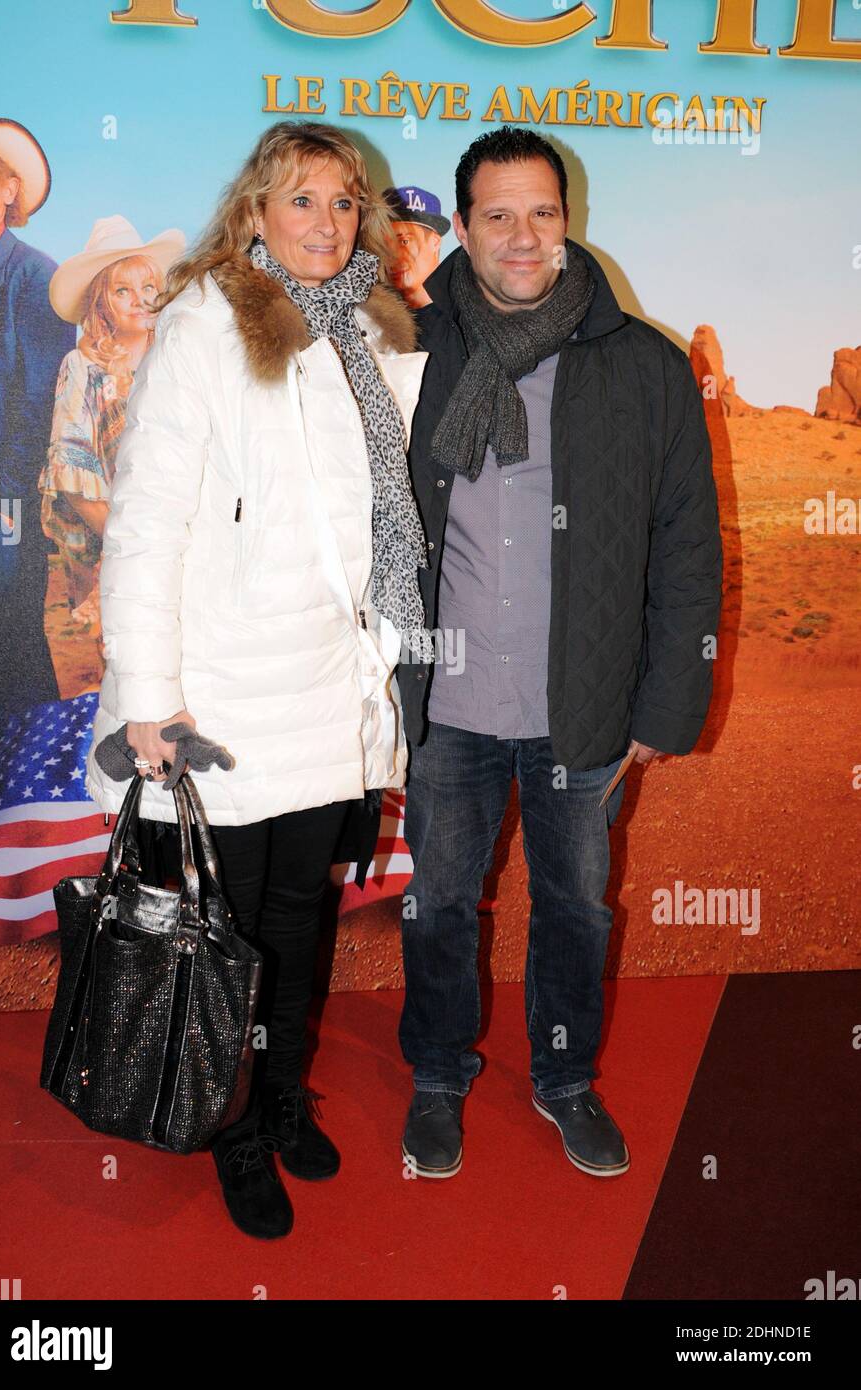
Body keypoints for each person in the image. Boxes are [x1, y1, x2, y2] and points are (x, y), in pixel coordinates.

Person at [84, 120, 431, 1239]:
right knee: (226, 931)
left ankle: (279, 1096)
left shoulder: (372, 327)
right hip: (223, 695)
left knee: (297, 917)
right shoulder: (205, 324)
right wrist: (150, 694)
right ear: (254, 212)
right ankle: (231, 1127)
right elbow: (145, 520)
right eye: (302, 200)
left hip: (330, 683)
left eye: (344, 203)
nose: (327, 223)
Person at [396, 127, 723, 1179]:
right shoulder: (410, 350)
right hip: (446, 700)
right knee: (441, 901)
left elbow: (686, 541)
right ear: (462, 227)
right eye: (497, 214)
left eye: (542, 210)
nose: (521, 235)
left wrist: (665, 710)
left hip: (582, 702)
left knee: (576, 906)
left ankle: (565, 1079)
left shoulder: (640, 363)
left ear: (567, 219)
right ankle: (438, 1077)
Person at [0, 103, 74, 799]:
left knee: (3, 652)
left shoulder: (36, 278)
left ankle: (19, 813)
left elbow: (45, 404)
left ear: (9, 190)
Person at [39, 217, 186, 631]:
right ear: (101, 303)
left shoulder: (178, 360)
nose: (139, 300)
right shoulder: (83, 367)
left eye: (148, 288)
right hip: (116, 543)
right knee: (127, 661)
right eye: (123, 290)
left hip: (186, 543)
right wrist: (131, 541)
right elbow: (72, 477)